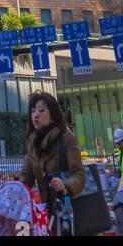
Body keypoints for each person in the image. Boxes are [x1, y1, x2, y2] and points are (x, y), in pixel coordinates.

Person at [20, 91, 85, 233]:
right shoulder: (32, 143)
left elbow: (79, 175)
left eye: (41, 110)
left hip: (69, 212)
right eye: (33, 111)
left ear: (52, 114)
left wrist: (65, 185)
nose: (35, 115)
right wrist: (13, 187)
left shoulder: (66, 138)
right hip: (45, 214)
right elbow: (26, 178)